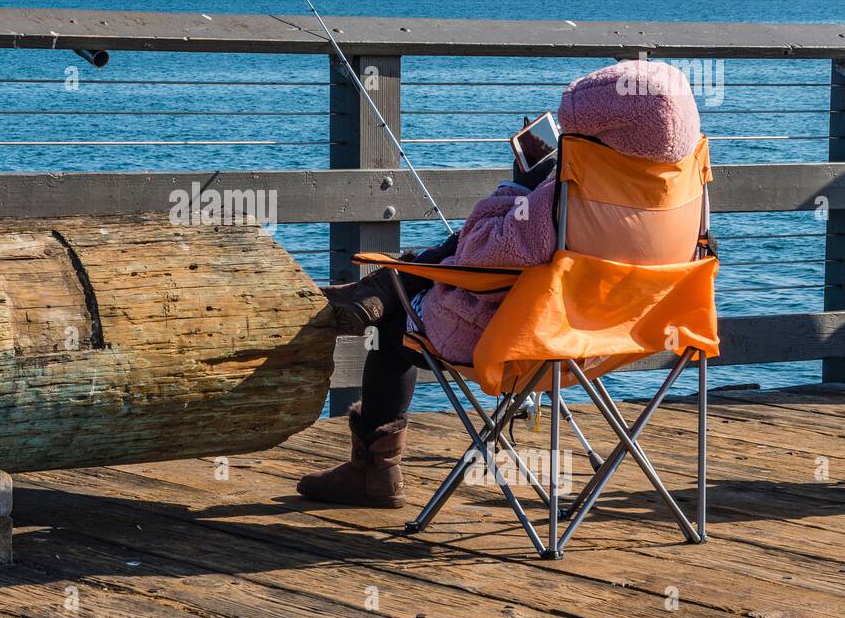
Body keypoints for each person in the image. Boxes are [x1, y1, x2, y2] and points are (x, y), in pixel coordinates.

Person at [301, 60, 702, 508]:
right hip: (627, 334)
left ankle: (373, 471)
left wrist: (518, 189)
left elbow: (479, 262)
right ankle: (388, 281)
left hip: (531, 337)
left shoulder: (567, 196)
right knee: (419, 284)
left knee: (399, 326)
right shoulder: (688, 185)